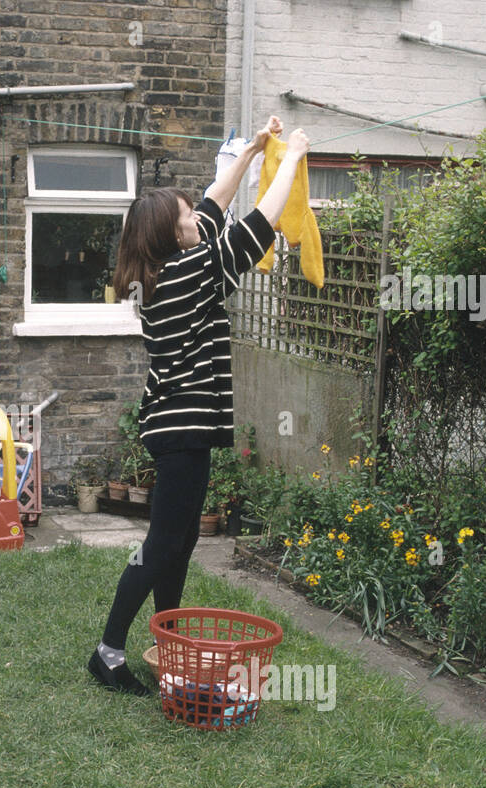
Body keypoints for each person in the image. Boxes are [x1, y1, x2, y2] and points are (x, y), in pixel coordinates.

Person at [87, 116, 310, 695]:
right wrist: (292, 159)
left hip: (180, 428)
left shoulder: (169, 268)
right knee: (163, 543)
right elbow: (259, 223)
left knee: (181, 541)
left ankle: (167, 642)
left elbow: (216, 203)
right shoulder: (190, 273)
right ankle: (108, 649)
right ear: (171, 234)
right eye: (185, 216)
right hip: (182, 432)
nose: (197, 218)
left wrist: (255, 151)